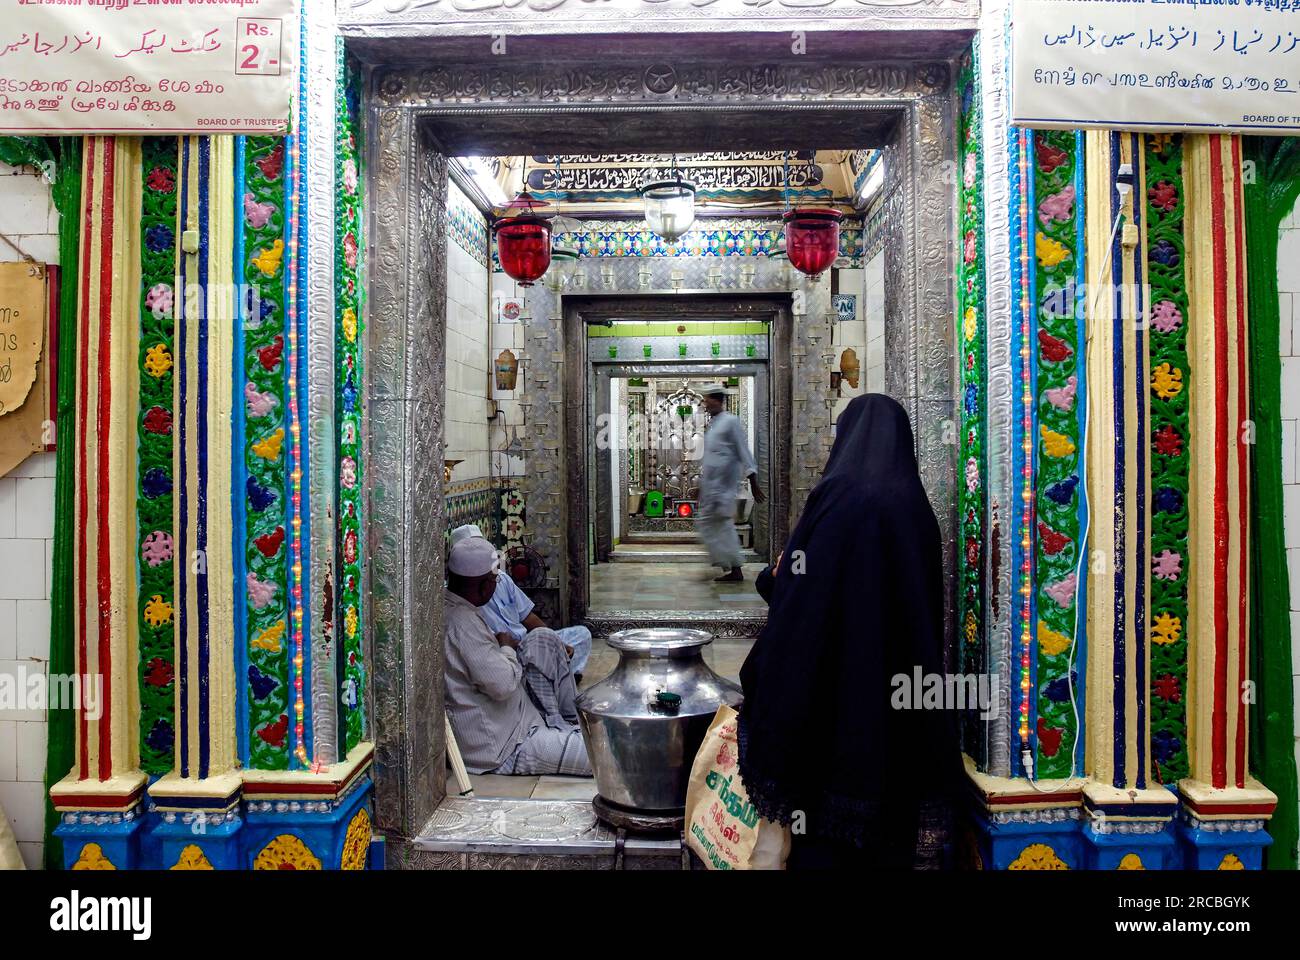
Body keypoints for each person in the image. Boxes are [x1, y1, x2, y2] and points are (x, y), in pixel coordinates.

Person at [737, 394, 960, 869]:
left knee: (817, 821)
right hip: (896, 692)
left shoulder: (836, 496)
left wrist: (771, 579)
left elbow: (796, 592)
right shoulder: (917, 510)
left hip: (829, 684)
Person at [443, 535, 591, 776]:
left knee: (544, 638)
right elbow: (502, 685)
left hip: (520, 720)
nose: (497, 583)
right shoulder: (462, 625)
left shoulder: (459, 608)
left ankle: (569, 722)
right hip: (506, 746)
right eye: (494, 579)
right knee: (605, 752)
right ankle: (567, 734)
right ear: (482, 584)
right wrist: (507, 647)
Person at [448, 523, 592, 680]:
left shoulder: (502, 579)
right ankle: (557, 675)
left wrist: (555, 642)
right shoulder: (460, 600)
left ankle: (562, 674)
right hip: (503, 652)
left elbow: (529, 618)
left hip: (526, 642)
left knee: (581, 634)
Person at [696, 384, 765, 582]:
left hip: (724, 488)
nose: (705, 404)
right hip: (712, 489)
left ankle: (735, 569)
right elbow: (712, 460)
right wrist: (702, 487)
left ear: (717, 401)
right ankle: (730, 566)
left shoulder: (731, 422)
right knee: (709, 526)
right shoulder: (714, 424)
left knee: (722, 527)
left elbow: (743, 451)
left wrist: (753, 481)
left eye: (708, 400)